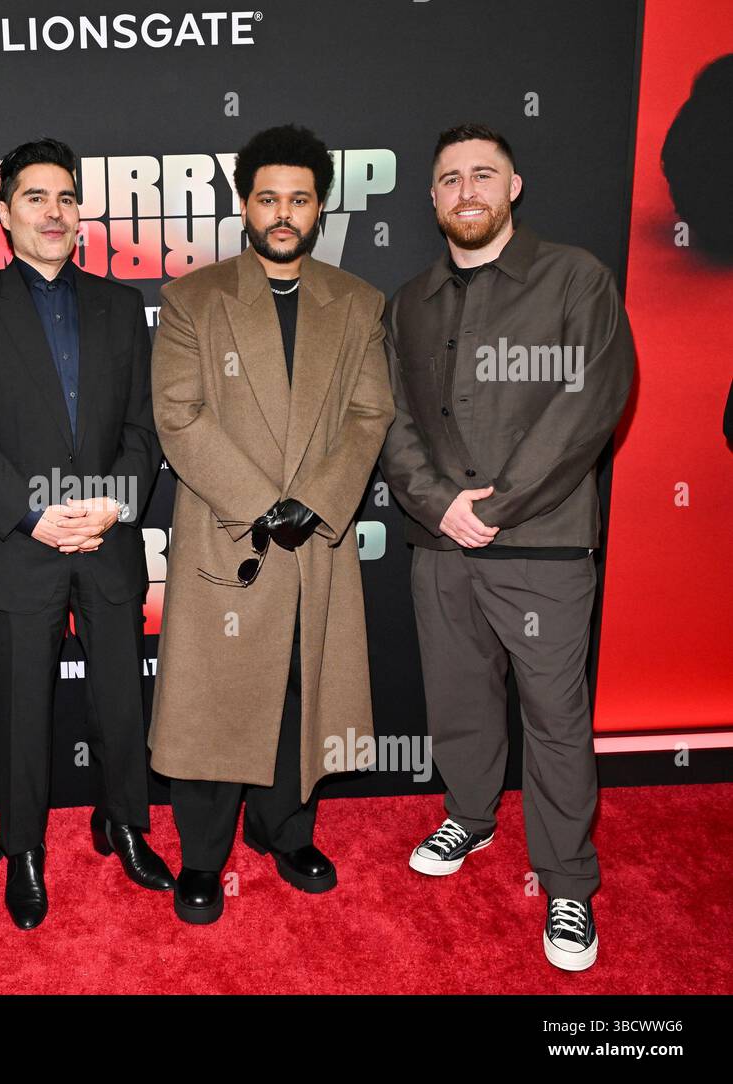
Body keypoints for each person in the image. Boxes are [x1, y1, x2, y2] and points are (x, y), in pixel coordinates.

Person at [378, 123, 635, 972]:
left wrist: (500, 505)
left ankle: (566, 884)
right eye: (449, 179)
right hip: (441, 543)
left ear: (514, 187)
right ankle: (472, 814)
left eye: (483, 175)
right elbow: (393, 422)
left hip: (543, 543)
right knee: (458, 700)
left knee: (556, 720)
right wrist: (439, 504)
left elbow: (590, 400)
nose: (467, 191)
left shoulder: (575, 278)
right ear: (433, 197)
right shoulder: (409, 300)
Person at [147, 124, 394, 925]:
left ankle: (286, 832)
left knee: (300, 691)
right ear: (242, 203)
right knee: (213, 699)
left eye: (299, 198)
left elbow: (369, 413)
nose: (282, 214)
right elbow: (179, 418)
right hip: (231, 537)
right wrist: (262, 505)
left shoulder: (357, 302)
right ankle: (203, 857)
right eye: (267, 198)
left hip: (314, 541)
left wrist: (313, 504)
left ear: (320, 206)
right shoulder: (194, 298)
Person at [0, 137, 172, 930]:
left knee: (120, 701)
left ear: (80, 213)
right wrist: (36, 514)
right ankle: (25, 854)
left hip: (106, 538)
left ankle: (126, 825)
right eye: (35, 197)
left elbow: (144, 428)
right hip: (16, 545)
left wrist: (109, 502)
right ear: (5, 215)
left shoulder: (119, 305)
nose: (54, 211)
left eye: (66, 197)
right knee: (21, 710)